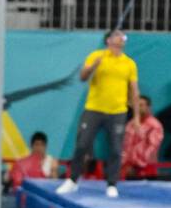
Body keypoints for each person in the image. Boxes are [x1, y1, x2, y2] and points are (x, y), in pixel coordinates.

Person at [56, 28, 139, 199]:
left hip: (117, 112)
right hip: (94, 109)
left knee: (116, 149)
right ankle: (72, 180)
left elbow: (134, 91)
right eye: (117, 35)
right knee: (82, 145)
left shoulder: (129, 63)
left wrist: (137, 116)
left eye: (123, 36)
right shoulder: (96, 56)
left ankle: (111, 184)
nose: (121, 38)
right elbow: (82, 77)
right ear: (108, 40)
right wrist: (94, 66)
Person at [121, 95, 164, 180]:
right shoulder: (130, 124)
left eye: (141, 105)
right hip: (129, 170)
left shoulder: (154, 125)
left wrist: (138, 165)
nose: (138, 108)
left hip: (146, 169)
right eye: (136, 105)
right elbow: (126, 146)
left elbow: (152, 148)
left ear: (148, 107)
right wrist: (125, 164)